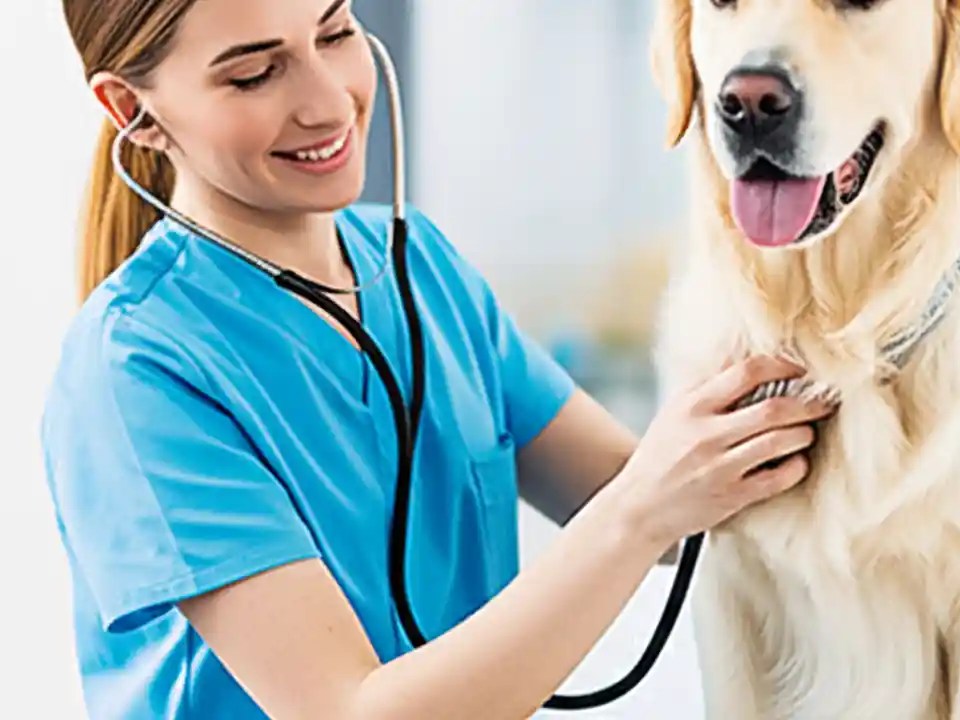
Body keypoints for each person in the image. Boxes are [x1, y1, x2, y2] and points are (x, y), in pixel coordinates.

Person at [40, 1, 839, 718]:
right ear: (131, 112)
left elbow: (648, 498)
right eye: (254, 74)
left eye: (335, 32)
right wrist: (645, 509)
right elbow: (350, 714)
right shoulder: (137, 369)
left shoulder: (418, 264)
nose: (326, 102)